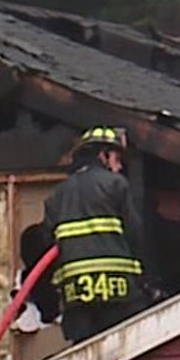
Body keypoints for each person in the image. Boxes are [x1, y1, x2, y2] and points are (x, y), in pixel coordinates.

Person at [43, 126, 150, 343]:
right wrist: (147, 280)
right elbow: (135, 234)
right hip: (119, 293)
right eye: (117, 159)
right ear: (104, 155)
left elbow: (47, 242)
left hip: (76, 295)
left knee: (83, 352)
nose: (119, 167)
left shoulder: (56, 195)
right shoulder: (116, 184)